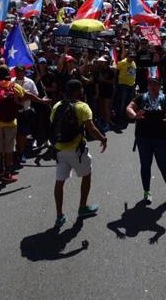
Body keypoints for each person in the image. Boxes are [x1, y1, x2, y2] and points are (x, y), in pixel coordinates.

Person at [50, 78, 107, 227]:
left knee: (59, 182)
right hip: (77, 150)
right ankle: (82, 207)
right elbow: (91, 128)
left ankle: (59, 215)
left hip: (59, 150)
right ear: (78, 91)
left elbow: (52, 126)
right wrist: (103, 138)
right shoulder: (83, 107)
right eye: (81, 89)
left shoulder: (56, 106)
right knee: (86, 175)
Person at [126, 74, 166, 204]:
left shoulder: (165, 98)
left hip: (161, 138)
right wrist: (135, 115)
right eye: (151, 84)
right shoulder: (141, 97)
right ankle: (147, 192)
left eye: (156, 84)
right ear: (148, 85)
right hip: (143, 138)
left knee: (164, 165)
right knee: (145, 165)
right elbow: (129, 108)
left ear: (160, 86)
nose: (153, 86)